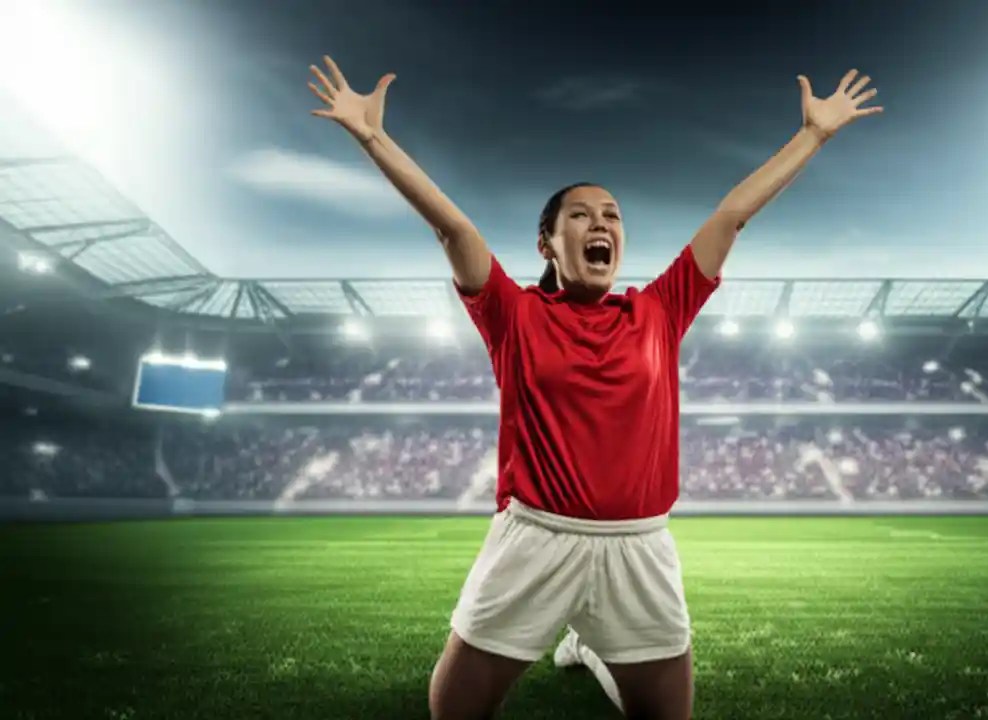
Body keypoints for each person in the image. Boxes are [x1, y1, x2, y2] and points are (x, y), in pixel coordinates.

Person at [307, 54, 881, 719]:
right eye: (580, 216)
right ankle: (587, 642)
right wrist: (373, 137)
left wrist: (812, 135)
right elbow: (453, 228)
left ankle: (591, 646)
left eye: (611, 214)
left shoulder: (659, 309)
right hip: (535, 538)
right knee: (454, 710)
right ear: (547, 244)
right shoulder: (515, 314)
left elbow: (731, 216)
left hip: (640, 544)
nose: (601, 223)